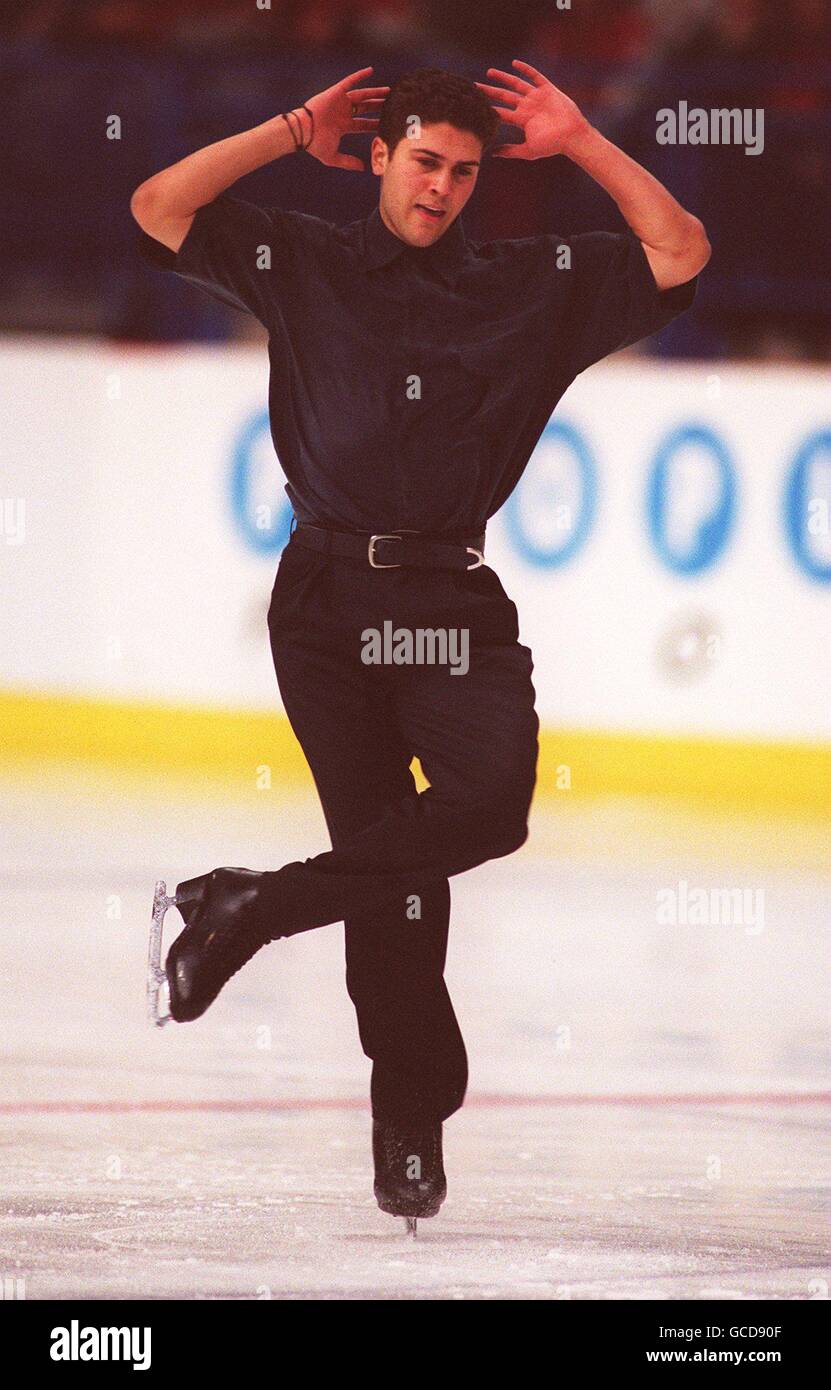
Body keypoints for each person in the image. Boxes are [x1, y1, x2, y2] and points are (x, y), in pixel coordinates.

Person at [131, 62, 709, 1229]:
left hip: (451, 604)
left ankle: (251, 905)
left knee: (488, 807)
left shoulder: (529, 286)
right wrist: (291, 127)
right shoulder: (305, 257)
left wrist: (586, 140)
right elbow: (160, 206)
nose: (442, 187)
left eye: (464, 168)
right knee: (397, 881)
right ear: (379, 157)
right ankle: (408, 1122)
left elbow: (680, 251)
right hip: (325, 604)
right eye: (424, 161)